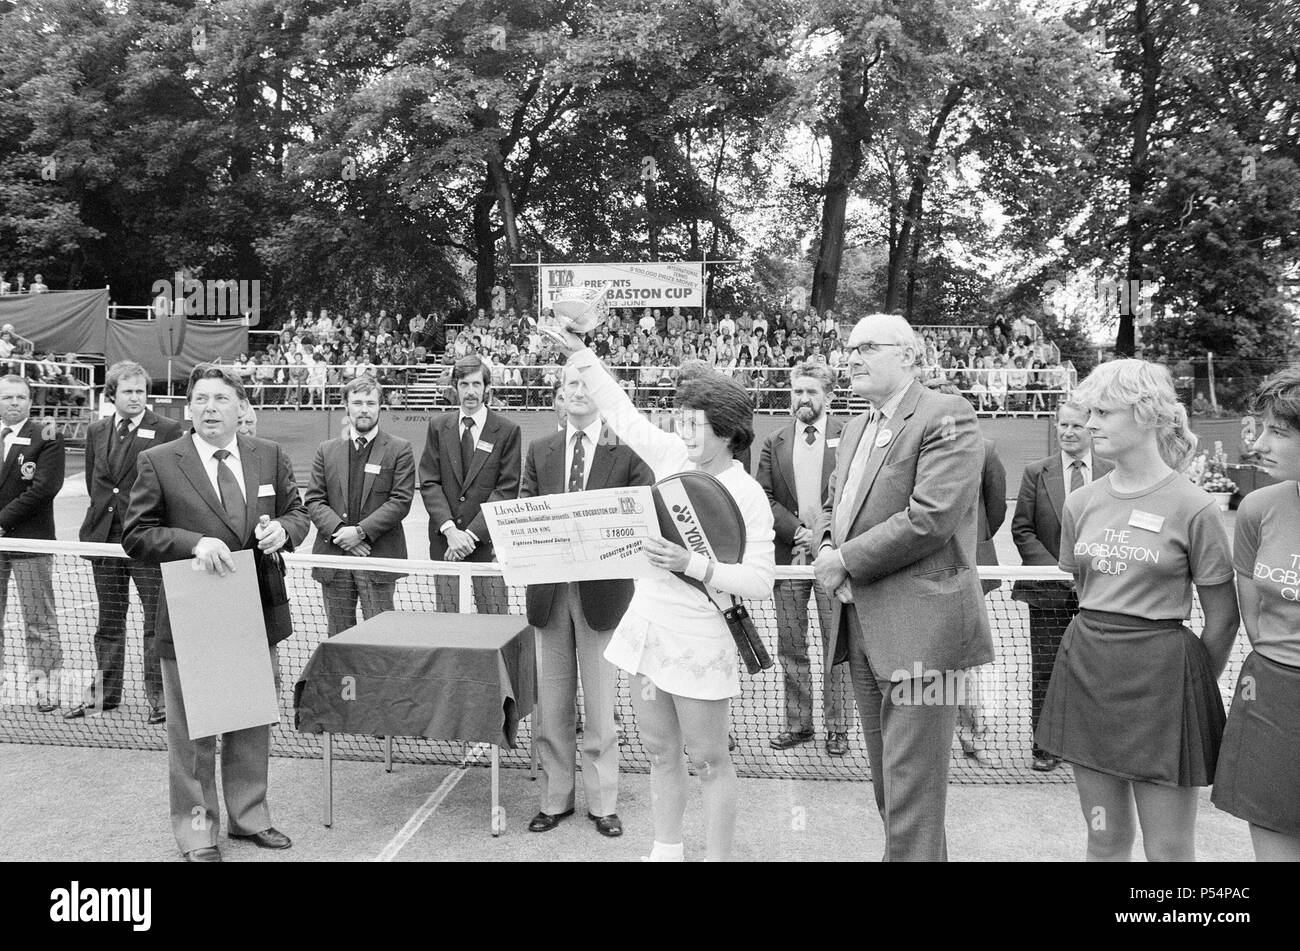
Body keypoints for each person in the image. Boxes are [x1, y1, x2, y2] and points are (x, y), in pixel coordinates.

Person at [539, 323, 775, 863]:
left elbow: (760, 580)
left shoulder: (748, 494)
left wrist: (692, 563)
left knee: (711, 760)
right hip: (649, 632)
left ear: (728, 430)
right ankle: (665, 850)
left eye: (696, 426)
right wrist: (582, 354)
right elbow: (621, 411)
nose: (685, 434)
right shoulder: (671, 455)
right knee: (660, 752)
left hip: (700, 638)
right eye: (683, 423)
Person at [1036, 359, 1238, 861]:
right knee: (1104, 837)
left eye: (1103, 412)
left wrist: (1185, 685)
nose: (1089, 424)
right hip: (1088, 676)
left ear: (1147, 414)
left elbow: (1224, 617)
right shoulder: (1080, 503)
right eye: (1088, 413)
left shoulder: (1196, 507)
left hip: (1163, 687)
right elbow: (1085, 589)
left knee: (1168, 848)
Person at [812, 313, 993, 862]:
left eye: (868, 347)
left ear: (910, 356)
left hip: (923, 635)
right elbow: (832, 506)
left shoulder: (948, 416)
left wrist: (845, 558)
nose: (853, 357)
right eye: (850, 349)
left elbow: (930, 519)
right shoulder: (858, 425)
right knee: (892, 787)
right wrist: (824, 545)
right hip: (863, 627)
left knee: (912, 787)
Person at [123, 364, 310, 862]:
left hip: (253, 607)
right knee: (193, 733)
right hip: (191, 614)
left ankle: (250, 818)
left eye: (221, 399)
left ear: (241, 408)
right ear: (188, 408)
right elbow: (136, 533)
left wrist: (285, 532)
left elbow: (298, 514)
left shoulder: (268, 456)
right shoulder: (159, 460)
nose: (210, 408)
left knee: (249, 720)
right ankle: (199, 833)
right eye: (201, 399)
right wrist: (193, 542)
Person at [521, 363, 654, 838]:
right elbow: (525, 511)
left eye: (586, 384)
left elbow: (641, 517)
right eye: (570, 385)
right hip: (550, 595)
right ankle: (555, 799)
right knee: (552, 705)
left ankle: (604, 802)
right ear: (559, 396)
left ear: (604, 393)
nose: (578, 391)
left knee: (599, 708)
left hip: (604, 596)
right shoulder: (540, 451)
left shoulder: (629, 452)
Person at [1211, 369, 1300, 861]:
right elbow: (1256, 620)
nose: (1259, 443)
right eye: (1259, 428)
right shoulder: (1258, 507)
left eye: (1278, 432)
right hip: (1272, 695)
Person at [68, 362, 184, 723]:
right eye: (128, 391)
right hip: (105, 540)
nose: (135, 398)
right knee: (109, 622)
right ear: (112, 395)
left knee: (155, 623)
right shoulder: (96, 430)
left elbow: (172, 487)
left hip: (147, 541)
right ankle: (105, 694)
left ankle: (160, 698)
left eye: (140, 391)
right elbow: (96, 484)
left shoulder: (167, 429)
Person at [757, 363, 855, 756]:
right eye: (797, 391)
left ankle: (838, 727)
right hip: (790, 557)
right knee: (791, 645)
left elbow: (854, 493)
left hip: (834, 560)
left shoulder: (848, 436)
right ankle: (799, 724)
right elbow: (764, 495)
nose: (803, 399)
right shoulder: (774, 441)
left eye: (811, 392)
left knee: (836, 646)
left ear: (829, 396)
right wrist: (799, 532)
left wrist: (825, 539)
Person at [1010, 401, 1113, 771]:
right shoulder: (1037, 472)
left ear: (1091, 430)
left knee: (1096, 670)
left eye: (1076, 426)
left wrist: (1089, 572)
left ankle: (1090, 745)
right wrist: (1058, 571)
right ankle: (1045, 745)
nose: (1068, 432)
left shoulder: (1111, 471)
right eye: (1062, 425)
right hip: (1048, 592)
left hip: (1101, 591)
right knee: (1047, 670)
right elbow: (1021, 529)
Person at [304, 377, 415, 636]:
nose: (364, 409)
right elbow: (314, 499)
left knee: (381, 637)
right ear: (346, 406)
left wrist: (360, 532)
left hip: (377, 560)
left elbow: (400, 501)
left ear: (380, 407)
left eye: (370, 402)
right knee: (339, 636)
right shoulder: (326, 450)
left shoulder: (400, 449)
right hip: (335, 559)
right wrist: (343, 532)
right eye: (357, 402)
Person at [418, 355, 521, 613]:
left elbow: (506, 490)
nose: (471, 391)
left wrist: (471, 537)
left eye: (476, 384)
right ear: (455, 388)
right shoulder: (438, 426)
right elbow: (430, 482)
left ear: (487, 388)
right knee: (450, 630)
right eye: (464, 384)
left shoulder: (508, 431)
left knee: (495, 625)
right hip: (447, 546)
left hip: (488, 548)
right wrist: (451, 532)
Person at [0, 375, 65, 712]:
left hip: (31, 541)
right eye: (7, 397)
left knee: (38, 620)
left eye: (21, 397)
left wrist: (1, 522)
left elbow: (43, 489)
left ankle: (45, 688)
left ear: (30, 400)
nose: (14, 403)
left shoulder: (47, 435)